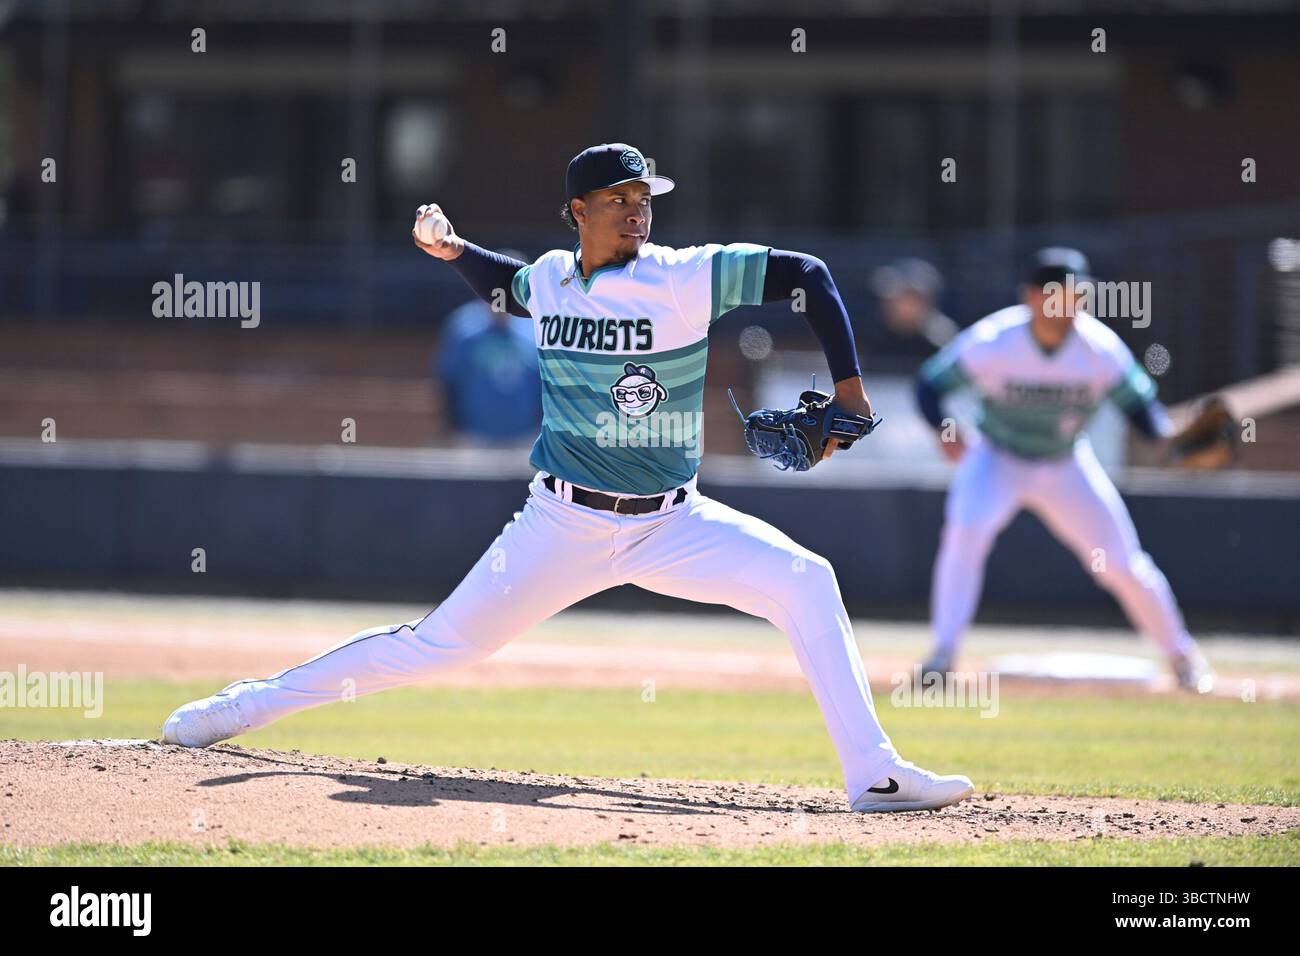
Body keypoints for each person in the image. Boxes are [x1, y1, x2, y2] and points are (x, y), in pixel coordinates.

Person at [162, 143, 974, 813]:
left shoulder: (685, 274)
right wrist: (452, 250)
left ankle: (873, 773)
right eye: (618, 196)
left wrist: (850, 392)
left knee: (807, 579)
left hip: (672, 523)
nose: (637, 208)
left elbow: (810, 277)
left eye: (644, 195)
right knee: (435, 648)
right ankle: (246, 706)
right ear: (578, 212)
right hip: (561, 524)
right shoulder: (552, 277)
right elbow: (504, 285)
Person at [914, 247, 1215, 693]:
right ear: (1030, 297)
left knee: (1122, 563)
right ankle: (942, 654)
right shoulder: (997, 339)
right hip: (996, 456)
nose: (1068, 304)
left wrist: (1166, 439)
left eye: (1077, 295)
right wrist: (944, 428)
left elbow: (1140, 409)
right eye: (1056, 294)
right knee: (966, 532)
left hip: (1065, 462)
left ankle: (1183, 656)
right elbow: (929, 386)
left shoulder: (1098, 347)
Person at [435, 259, 542, 443]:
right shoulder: (463, 327)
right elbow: (447, 383)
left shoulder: (537, 328)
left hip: (526, 441)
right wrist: (452, 430)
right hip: (473, 439)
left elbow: (549, 386)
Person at [869, 258, 959, 357]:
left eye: (912, 299)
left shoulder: (942, 340)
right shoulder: (869, 336)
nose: (904, 306)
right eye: (898, 299)